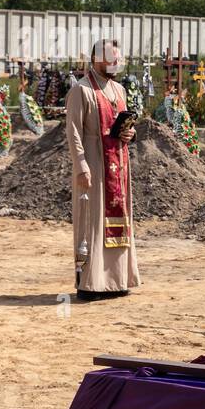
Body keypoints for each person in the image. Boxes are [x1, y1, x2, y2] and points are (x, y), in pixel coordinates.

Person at [65, 39, 140, 300]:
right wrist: (81, 163)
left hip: (119, 163)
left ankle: (117, 280)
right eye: (112, 59)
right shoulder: (81, 90)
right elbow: (73, 131)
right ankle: (91, 283)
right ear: (97, 59)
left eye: (118, 58)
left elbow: (124, 126)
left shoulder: (120, 90)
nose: (116, 63)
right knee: (93, 223)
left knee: (120, 222)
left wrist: (130, 133)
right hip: (95, 163)